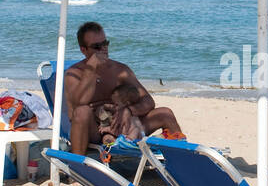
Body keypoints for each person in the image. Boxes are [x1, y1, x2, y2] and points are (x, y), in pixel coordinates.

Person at [64, 21, 184, 156]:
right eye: (97, 46)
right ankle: (77, 168)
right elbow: (79, 104)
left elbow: (148, 101)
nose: (103, 49)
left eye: (105, 43)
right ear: (83, 50)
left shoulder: (120, 70)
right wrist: (91, 69)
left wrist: (129, 111)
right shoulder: (74, 73)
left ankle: (179, 161)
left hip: (125, 126)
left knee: (165, 113)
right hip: (94, 130)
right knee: (82, 112)